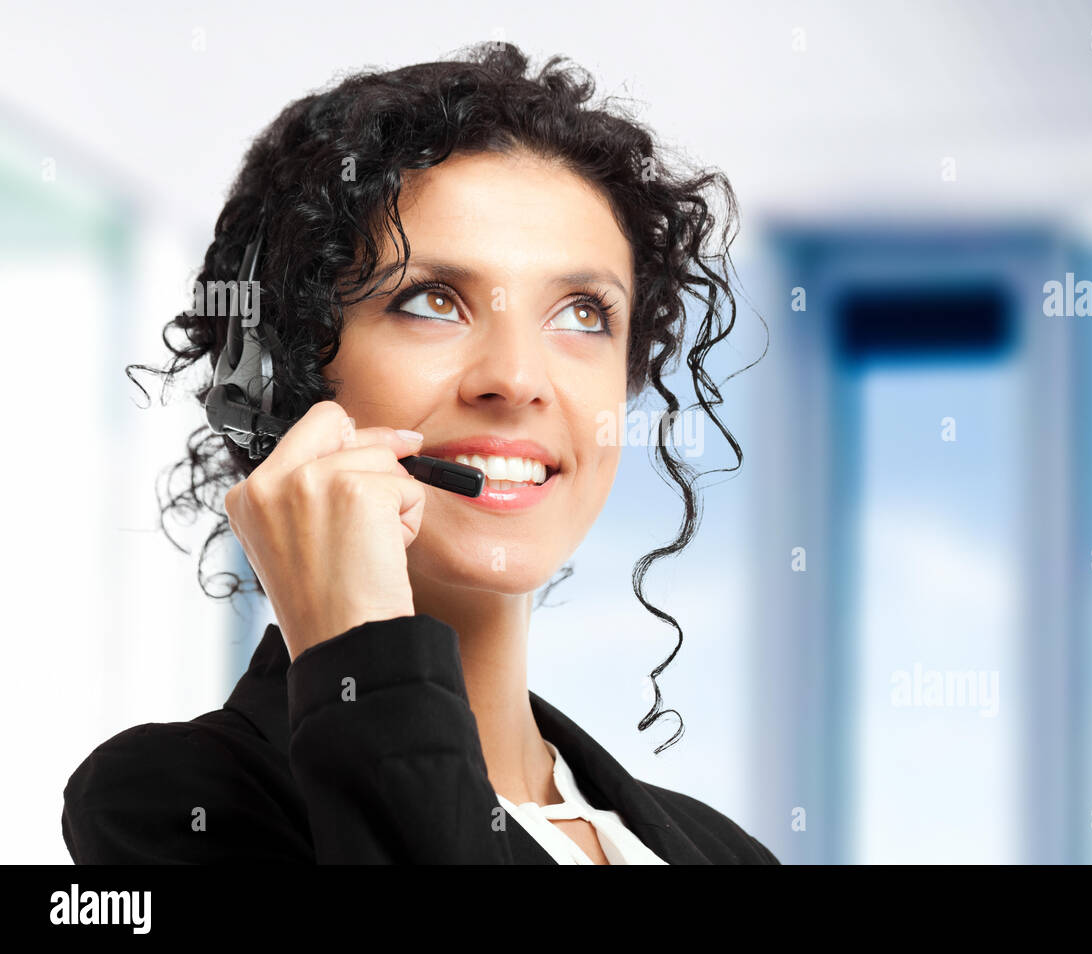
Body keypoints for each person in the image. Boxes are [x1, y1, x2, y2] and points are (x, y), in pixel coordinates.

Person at [62, 41, 774, 864]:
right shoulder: (177, 799)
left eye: (582, 313)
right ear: (276, 379)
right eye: (432, 301)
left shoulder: (727, 851)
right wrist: (353, 644)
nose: (517, 379)